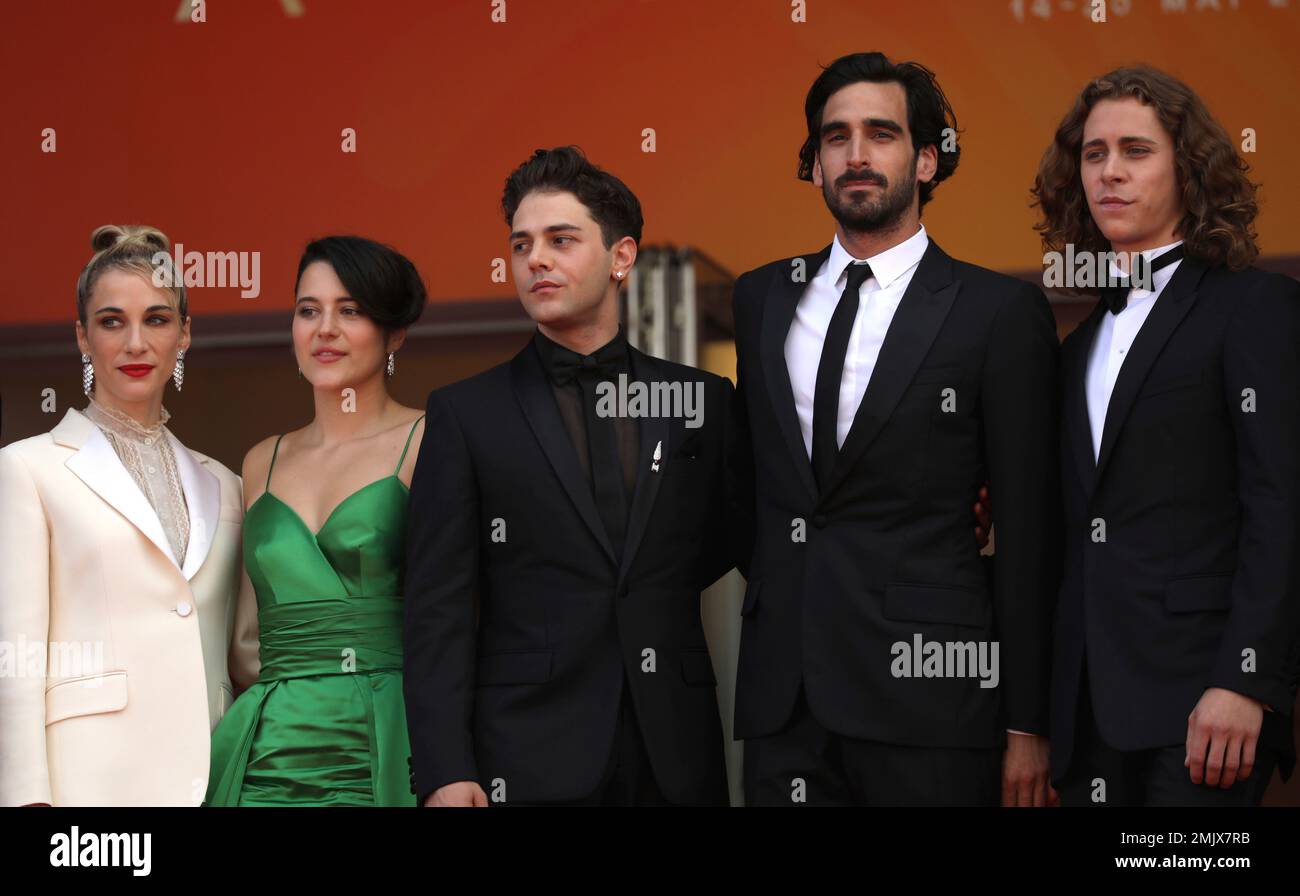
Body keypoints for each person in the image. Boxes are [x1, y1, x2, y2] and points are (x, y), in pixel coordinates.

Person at [731, 52, 1060, 806]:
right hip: (786, 702)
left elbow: (1028, 533)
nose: (855, 154)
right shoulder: (761, 300)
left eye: (881, 134)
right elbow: (755, 488)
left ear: (928, 160)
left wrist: (1027, 724)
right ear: (813, 165)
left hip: (935, 702)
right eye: (834, 137)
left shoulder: (997, 313)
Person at [403, 146, 743, 806]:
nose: (536, 260)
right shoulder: (465, 413)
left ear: (622, 258)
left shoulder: (703, 400)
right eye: (522, 244)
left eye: (561, 240)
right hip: (523, 753)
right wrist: (445, 768)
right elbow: (437, 607)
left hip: (675, 751)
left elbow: (726, 542)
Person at [1032, 65, 1300, 807]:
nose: (1109, 172)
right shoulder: (1075, 347)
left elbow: (1282, 505)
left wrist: (1247, 679)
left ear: (1188, 169)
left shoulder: (1256, 307)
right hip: (1087, 714)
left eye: (1135, 151)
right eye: (1092, 154)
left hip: (1205, 706)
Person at [0, 224, 245, 806]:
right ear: (83, 337)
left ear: (184, 335)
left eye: (157, 319)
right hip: (90, 790)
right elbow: (14, 658)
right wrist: (26, 800)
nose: (136, 342)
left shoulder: (227, 485)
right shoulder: (26, 469)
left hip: (216, 777)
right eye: (112, 321)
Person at [206, 236, 426, 806]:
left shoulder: (431, 440)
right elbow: (247, 644)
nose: (324, 329)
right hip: (266, 754)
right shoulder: (261, 460)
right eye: (309, 310)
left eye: (349, 311)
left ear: (393, 332)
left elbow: (464, 613)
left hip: (382, 742)